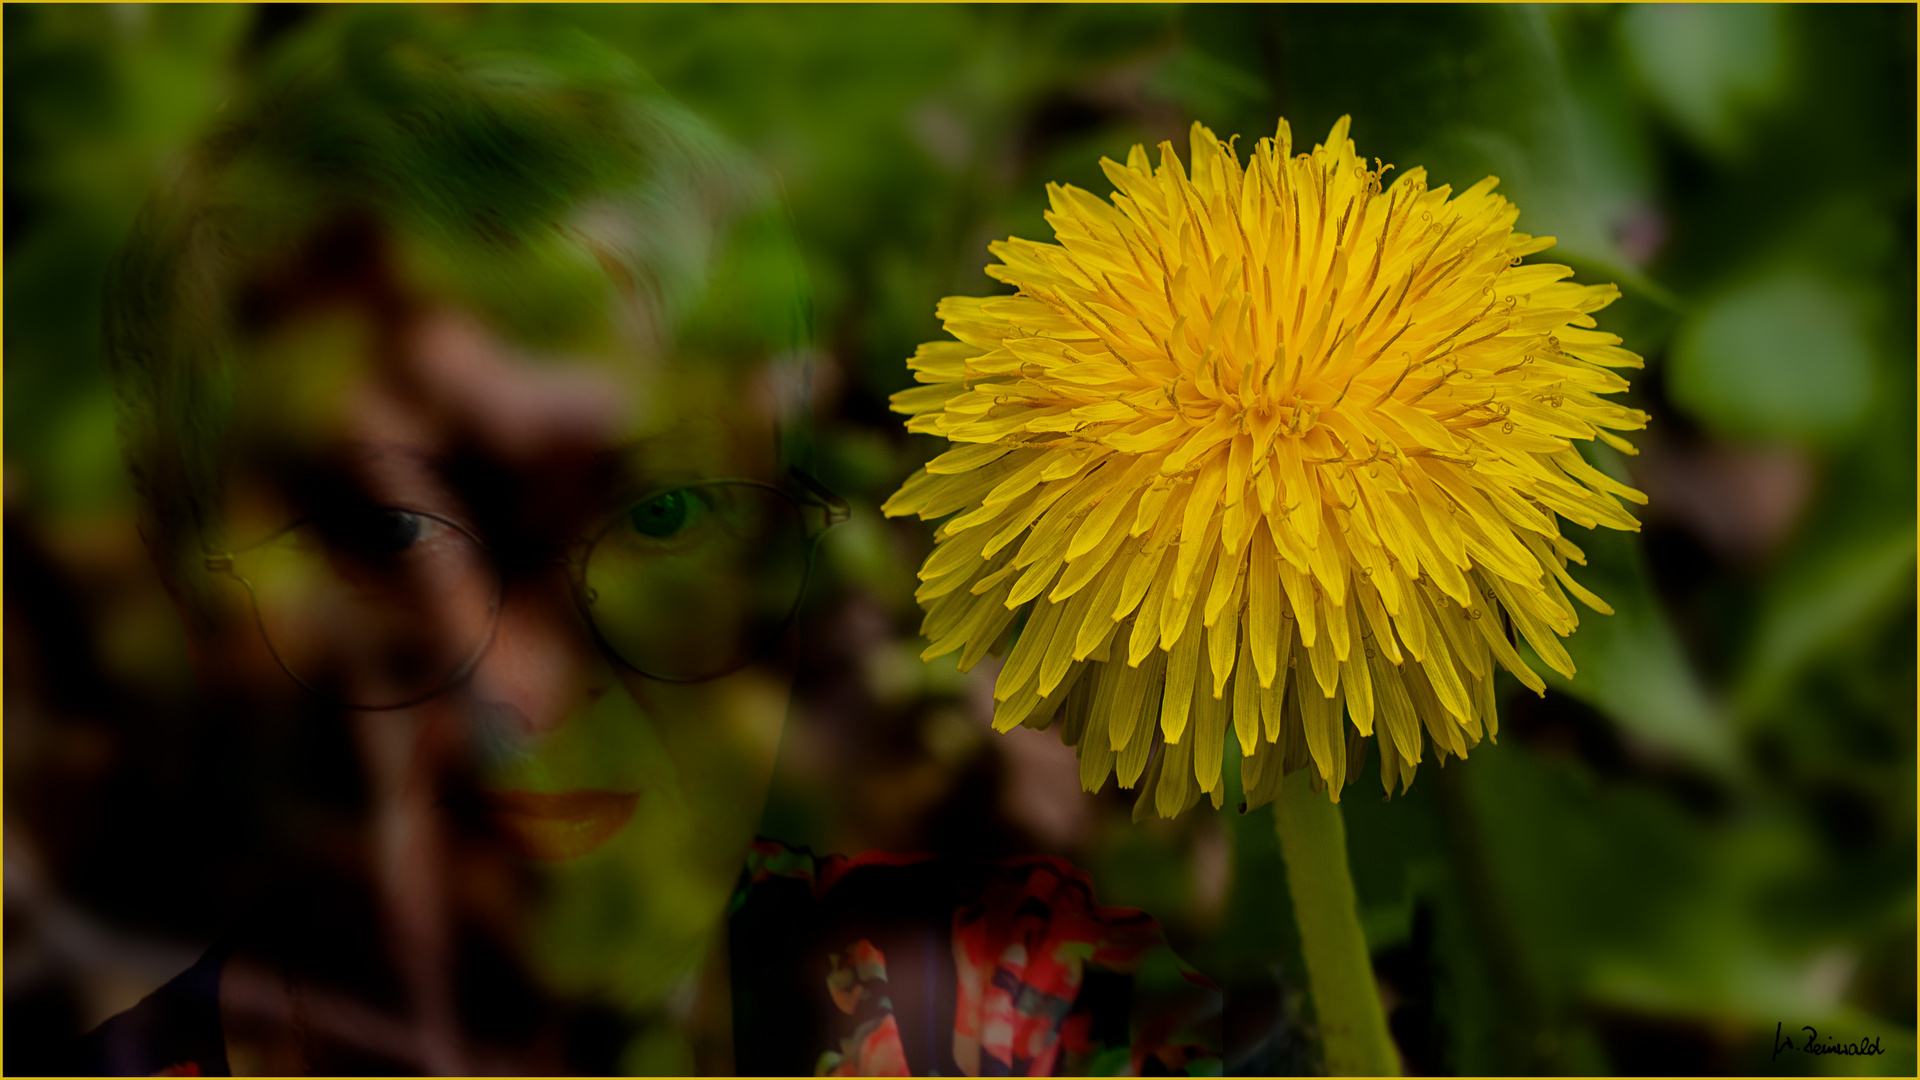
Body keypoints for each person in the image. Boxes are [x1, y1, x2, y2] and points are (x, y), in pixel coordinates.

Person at [75, 10, 1218, 1075]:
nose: (519, 698)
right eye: (382, 534)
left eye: (662, 518)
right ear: (177, 572)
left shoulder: (1015, 1019)